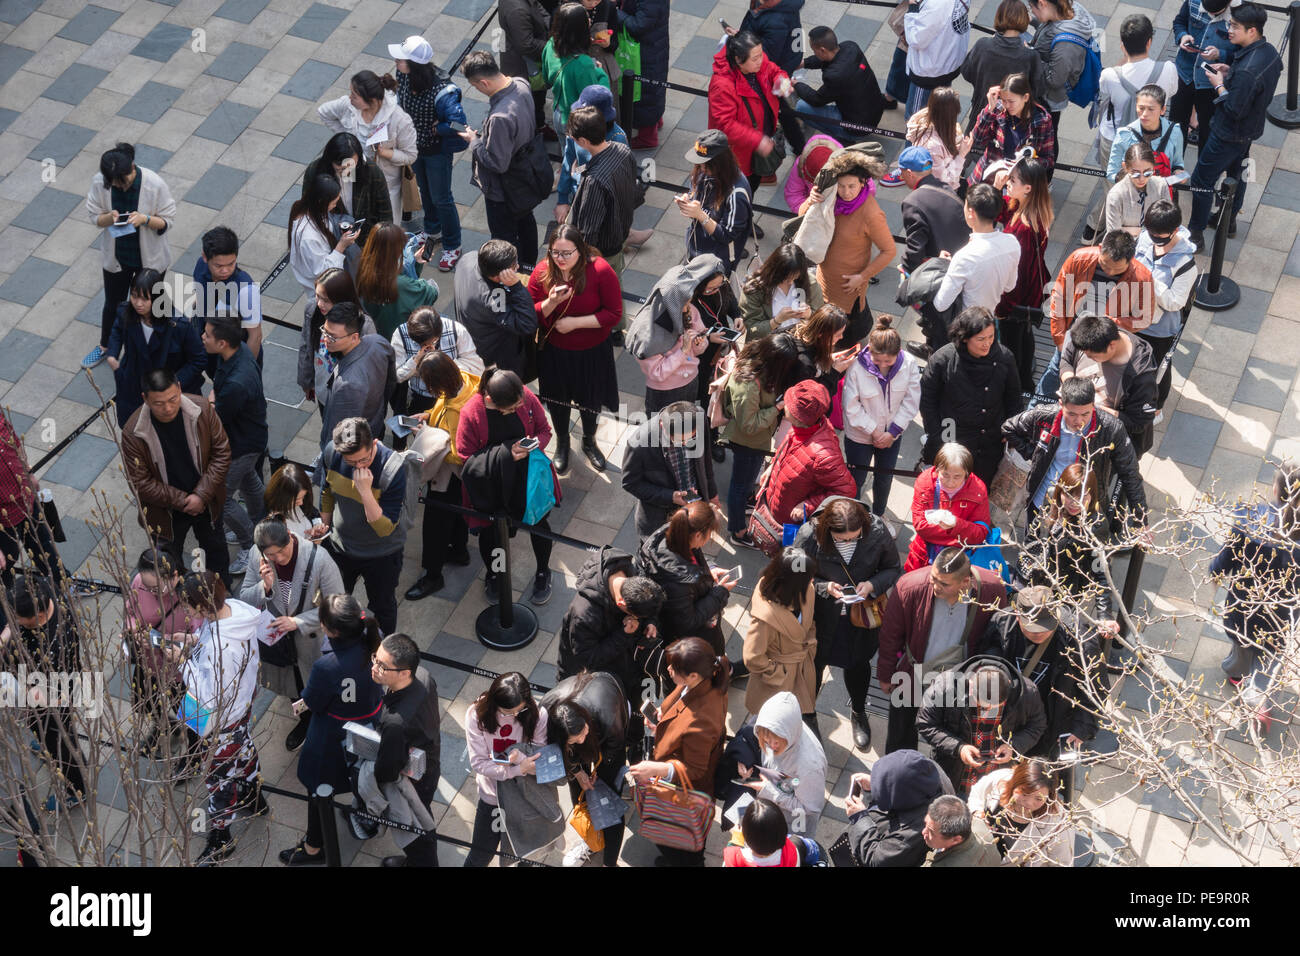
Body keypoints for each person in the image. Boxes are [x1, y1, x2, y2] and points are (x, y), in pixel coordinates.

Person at [278, 593, 384, 865]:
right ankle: (365, 815)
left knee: (318, 788)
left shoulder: (327, 666)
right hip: (371, 724)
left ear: (332, 630)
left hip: (333, 733)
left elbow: (313, 701)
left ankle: (314, 847)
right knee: (365, 776)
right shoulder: (376, 639)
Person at [171, 571, 268, 864]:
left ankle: (221, 837)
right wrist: (193, 640)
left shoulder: (219, 646)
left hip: (223, 718)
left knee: (218, 779)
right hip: (242, 704)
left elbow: (211, 695)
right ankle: (254, 795)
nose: (185, 612)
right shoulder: (237, 611)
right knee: (244, 746)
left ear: (202, 607)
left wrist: (183, 663)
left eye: (187, 607)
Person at [794, 496, 900, 749]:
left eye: (855, 537)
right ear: (827, 530)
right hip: (821, 617)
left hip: (860, 619)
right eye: (842, 539)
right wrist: (822, 587)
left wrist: (873, 584)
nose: (849, 541)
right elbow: (794, 571)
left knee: (858, 666)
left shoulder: (876, 531)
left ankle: (859, 711)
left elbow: (893, 568)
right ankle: (808, 716)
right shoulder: (809, 535)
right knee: (813, 668)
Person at [878, 547, 1009, 753]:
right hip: (914, 675)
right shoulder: (910, 586)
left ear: (965, 582)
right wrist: (885, 674)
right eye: (933, 578)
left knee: (951, 739)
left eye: (944, 583)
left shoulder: (992, 590)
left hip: (961, 683)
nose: (934, 586)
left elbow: (997, 635)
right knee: (900, 733)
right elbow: (890, 634)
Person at [237, 514, 346, 753]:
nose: (278, 559)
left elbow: (337, 605)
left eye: (281, 552)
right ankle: (306, 722)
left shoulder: (319, 560)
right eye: (271, 555)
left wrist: (297, 621)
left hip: (312, 642)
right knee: (293, 687)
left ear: (290, 539)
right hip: (278, 644)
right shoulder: (259, 557)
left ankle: (327, 725)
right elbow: (244, 595)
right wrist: (263, 586)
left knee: (319, 686)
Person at [456, 368, 559, 606]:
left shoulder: (523, 396)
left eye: (519, 405)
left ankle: (543, 571)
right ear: (490, 399)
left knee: (539, 524)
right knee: (492, 534)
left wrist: (533, 445)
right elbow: (466, 457)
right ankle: (496, 573)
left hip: (527, 480)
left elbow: (544, 431)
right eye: (512, 409)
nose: (517, 410)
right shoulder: (471, 413)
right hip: (491, 486)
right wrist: (506, 455)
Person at [1210, 460, 1300, 729]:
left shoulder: (1248, 518)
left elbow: (1223, 561)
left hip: (1243, 606)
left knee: (1241, 647)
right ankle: (1259, 695)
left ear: (1275, 489)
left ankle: (1236, 673)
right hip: (1283, 614)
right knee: (1270, 658)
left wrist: (1215, 574)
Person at [1187, 2, 1282, 251]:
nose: (1229, 30)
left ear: (1252, 31)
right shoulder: (1269, 52)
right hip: (1249, 131)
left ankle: (1195, 235)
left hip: (1227, 133)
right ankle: (1227, 221)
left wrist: (1220, 83)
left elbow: (1233, 109)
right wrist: (1230, 71)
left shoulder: (1248, 72)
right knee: (1236, 173)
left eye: (1235, 26)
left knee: (1201, 180)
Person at [627, 638, 730, 866]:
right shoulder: (705, 681)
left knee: (682, 846)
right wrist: (663, 723)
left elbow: (694, 769)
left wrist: (657, 768)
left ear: (693, 675)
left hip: (688, 789)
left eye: (674, 668)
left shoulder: (701, 720)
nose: (669, 670)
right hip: (688, 773)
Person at [120, 369, 231, 582]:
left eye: (173, 399)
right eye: (159, 403)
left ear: (180, 388)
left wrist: (201, 495)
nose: (168, 408)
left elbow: (222, 452)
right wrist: (183, 501)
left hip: (207, 501)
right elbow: (140, 482)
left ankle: (222, 594)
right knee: (169, 563)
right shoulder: (133, 433)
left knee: (216, 551)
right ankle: (180, 603)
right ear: (145, 399)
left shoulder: (202, 410)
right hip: (164, 511)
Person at [527, 223, 621, 474]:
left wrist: (574, 323)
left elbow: (614, 313)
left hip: (593, 353)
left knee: (590, 402)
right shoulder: (542, 272)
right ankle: (563, 442)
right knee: (558, 402)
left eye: (567, 253)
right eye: (555, 253)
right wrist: (551, 302)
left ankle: (589, 441)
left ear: (580, 251)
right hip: (555, 354)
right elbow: (531, 314)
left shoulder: (600, 270)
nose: (560, 259)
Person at [976, 585, 1110, 754]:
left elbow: (1098, 688)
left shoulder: (1080, 639)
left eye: (1045, 627)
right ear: (1018, 616)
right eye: (1031, 629)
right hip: (1009, 717)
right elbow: (984, 658)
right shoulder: (1001, 623)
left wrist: (1082, 728)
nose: (1038, 634)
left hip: (1053, 723)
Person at [1002, 377, 1149, 529]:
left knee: (1075, 549)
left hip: (1083, 505)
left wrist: (1141, 520)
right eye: (1071, 414)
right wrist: (1034, 454)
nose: (1079, 421)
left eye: (1085, 414)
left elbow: (1130, 473)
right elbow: (1009, 427)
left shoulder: (1111, 429)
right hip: (1043, 500)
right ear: (1061, 405)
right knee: (1035, 542)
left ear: (1094, 405)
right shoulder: (1044, 415)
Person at [1084, 15, 1179, 241]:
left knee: (1114, 186)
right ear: (1149, 42)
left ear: (1122, 45)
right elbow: (1171, 93)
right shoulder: (1167, 70)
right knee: (1145, 184)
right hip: (1152, 142)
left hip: (1115, 140)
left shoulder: (1109, 75)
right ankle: (1119, 229)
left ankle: (1096, 228)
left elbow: (1104, 97)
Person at [82, 143, 176, 370]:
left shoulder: (154, 184)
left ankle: (164, 344)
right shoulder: (100, 183)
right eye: (114, 183)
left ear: (132, 168)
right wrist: (109, 218)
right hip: (118, 256)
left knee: (155, 302)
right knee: (113, 303)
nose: (119, 187)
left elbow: (167, 220)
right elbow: (94, 216)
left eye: (122, 182)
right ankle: (106, 346)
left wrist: (144, 219)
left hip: (150, 259)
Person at [314, 417, 411, 636]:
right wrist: (324, 525)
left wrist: (365, 492)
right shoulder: (332, 453)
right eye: (352, 462)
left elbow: (384, 529)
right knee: (334, 601)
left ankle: (380, 649)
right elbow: (326, 491)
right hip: (340, 546)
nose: (359, 466)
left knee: (383, 606)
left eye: (364, 459)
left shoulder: (392, 469)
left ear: (374, 443)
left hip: (382, 553)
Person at [0, 574, 87, 812]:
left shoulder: (55, 642)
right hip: (35, 687)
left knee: (62, 745)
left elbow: (61, 691)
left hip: (52, 699)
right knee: (52, 737)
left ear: (37, 617)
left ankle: (77, 790)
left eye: (18, 619)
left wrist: (27, 694)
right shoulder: (47, 596)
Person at [1042, 230, 1154, 399]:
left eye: (1116, 269)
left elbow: (1143, 319)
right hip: (1074, 333)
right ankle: (1036, 408)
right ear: (1100, 248)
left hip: (1104, 341)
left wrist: (1111, 322)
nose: (1109, 271)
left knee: (1097, 383)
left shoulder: (1142, 277)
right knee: (1054, 372)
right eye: (1105, 265)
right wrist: (1060, 339)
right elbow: (1058, 299)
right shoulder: (1079, 258)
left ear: (1131, 260)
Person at [402, 352, 478, 600]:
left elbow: (459, 454)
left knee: (435, 525)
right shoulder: (464, 384)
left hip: (449, 475)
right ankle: (459, 551)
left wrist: (427, 435)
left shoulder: (459, 411)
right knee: (456, 515)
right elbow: (441, 410)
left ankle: (433, 575)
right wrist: (428, 416)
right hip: (460, 479)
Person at [389, 34, 468, 271]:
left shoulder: (444, 92)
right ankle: (432, 229)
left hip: (435, 151)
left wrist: (440, 127)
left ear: (414, 64)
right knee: (425, 190)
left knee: (442, 198)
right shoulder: (403, 75)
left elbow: (460, 125)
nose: (396, 62)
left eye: (401, 59)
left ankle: (453, 244)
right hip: (414, 147)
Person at [798, 149, 896, 337]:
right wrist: (811, 201)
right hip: (823, 279)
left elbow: (889, 250)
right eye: (841, 186)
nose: (846, 192)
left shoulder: (871, 214)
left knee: (847, 332)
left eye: (851, 186)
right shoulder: (830, 197)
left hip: (848, 289)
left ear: (863, 182)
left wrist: (863, 276)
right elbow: (802, 219)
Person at [919, 306, 1022, 485]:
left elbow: (1014, 398)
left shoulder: (1005, 358)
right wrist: (937, 434)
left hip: (989, 443)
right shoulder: (943, 360)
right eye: (981, 339)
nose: (987, 343)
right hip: (950, 438)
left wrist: (1012, 428)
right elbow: (928, 402)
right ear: (965, 337)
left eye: (991, 337)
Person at [918, 655, 1047, 793]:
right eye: (982, 705)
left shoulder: (1026, 692)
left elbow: (1037, 725)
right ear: (971, 684)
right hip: (953, 775)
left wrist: (1013, 746)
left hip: (996, 782)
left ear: (1009, 684)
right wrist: (959, 748)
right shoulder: (945, 685)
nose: (989, 710)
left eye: (997, 706)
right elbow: (925, 723)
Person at [541, 671, 629, 867]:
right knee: (579, 792)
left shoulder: (608, 715)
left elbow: (615, 746)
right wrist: (577, 771)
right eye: (575, 739)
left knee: (608, 801)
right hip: (574, 738)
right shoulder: (547, 712)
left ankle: (610, 862)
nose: (581, 740)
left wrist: (600, 769)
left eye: (583, 734)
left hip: (609, 734)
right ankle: (589, 839)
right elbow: (554, 748)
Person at [461, 52, 541, 268]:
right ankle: (528, 266)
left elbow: (497, 163)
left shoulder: (499, 119)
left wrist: (474, 141)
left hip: (503, 189)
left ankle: (509, 275)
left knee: (504, 237)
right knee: (526, 222)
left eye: (476, 86)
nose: (478, 90)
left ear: (484, 82)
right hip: (525, 174)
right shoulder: (521, 84)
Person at [201, 318, 267, 577]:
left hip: (240, 444)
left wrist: (210, 404)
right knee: (250, 481)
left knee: (221, 498)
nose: (203, 338)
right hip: (251, 438)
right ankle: (260, 521)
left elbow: (216, 418)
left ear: (222, 343)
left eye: (207, 335)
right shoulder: (237, 354)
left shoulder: (236, 383)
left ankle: (250, 543)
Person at [369, 632, 442, 867]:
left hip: (415, 780)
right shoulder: (424, 676)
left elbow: (386, 770)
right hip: (431, 761)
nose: (374, 667)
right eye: (375, 659)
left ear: (404, 673)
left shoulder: (395, 723)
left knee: (417, 828)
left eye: (382, 665)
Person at [555, 546, 666, 700]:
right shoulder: (584, 614)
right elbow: (588, 659)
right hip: (593, 680)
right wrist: (623, 634)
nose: (637, 620)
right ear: (621, 603)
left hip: (622, 663)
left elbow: (649, 606)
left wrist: (651, 621)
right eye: (635, 616)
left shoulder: (631, 574)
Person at [722, 334, 801, 546]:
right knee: (739, 485)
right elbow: (749, 426)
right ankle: (738, 530)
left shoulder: (761, 366)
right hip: (748, 441)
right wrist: (777, 407)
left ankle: (747, 501)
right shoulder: (748, 385)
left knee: (746, 481)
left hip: (758, 440)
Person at [464, 672, 549, 866]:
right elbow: (479, 763)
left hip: (527, 796)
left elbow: (540, 758)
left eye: (519, 711)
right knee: (480, 854)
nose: (513, 716)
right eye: (507, 712)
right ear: (494, 703)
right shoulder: (477, 715)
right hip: (493, 797)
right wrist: (518, 768)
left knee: (527, 855)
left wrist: (520, 760)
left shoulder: (536, 714)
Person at [123, 545, 199, 759]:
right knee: (145, 702)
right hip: (148, 663)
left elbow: (201, 637)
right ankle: (165, 726)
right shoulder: (140, 582)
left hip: (180, 672)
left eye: (158, 588)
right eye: (149, 588)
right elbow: (131, 610)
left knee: (191, 717)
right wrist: (133, 629)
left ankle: (194, 756)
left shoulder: (191, 595)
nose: (152, 592)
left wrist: (167, 644)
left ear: (174, 576)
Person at [104, 268, 206, 427]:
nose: (138, 303)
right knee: (134, 430)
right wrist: (112, 354)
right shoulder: (125, 312)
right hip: (133, 387)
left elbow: (199, 359)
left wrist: (172, 385)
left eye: (145, 299)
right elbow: (117, 329)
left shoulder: (178, 325)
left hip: (168, 397)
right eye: (134, 296)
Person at [1020, 462, 1118, 626]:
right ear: (1060, 491)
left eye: (1082, 496)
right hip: (1036, 581)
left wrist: (1104, 615)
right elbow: (1031, 538)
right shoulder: (1051, 503)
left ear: (1092, 495)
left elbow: (1102, 573)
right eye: (1069, 494)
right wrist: (1030, 563)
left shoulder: (1095, 526)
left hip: (1065, 592)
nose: (1074, 502)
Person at [841, 317, 921, 516]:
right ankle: (855, 517)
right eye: (878, 360)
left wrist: (892, 432)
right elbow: (851, 406)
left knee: (884, 479)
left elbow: (911, 401)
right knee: (856, 479)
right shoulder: (856, 367)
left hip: (891, 437)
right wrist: (876, 432)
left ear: (899, 353)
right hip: (859, 436)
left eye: (888, 361)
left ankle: (878, 515)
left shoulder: (909, 364)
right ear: (870, 349)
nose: (883, 365)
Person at [633, 501, 737, 655]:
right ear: (697, 535)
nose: (710, 538)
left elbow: (692, 559)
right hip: (694, 639)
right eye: (710, 533)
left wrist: (710, 569)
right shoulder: (677, 581)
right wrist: (719, 593)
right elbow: (687, 622)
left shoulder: (673, 536)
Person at [318, 69, 418, 222]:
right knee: (349, 213)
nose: (350, 98)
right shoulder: (348, 106)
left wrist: (384, 153)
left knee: (386, 226)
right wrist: (346, 138)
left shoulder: (399, 120)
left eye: (355, 96)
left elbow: (410, 155)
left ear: (370, 100)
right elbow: (324, 112)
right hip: (349, 170)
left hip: (385, 180)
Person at [759, 379, 857, 531]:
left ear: (796, 416)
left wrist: (808, 505)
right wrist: (773, 466)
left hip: (790, 525)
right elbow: (787, 450)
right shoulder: (804, 428)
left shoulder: (824, 455)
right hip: (776, 510)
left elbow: (846, 490)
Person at [1060, 312, 1158, 456]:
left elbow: (1138, 423)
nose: (1089, 358)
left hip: (1107, 444)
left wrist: (1092, 409)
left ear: (1112, 345)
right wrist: (1071, 386)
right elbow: (1066, 360)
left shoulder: (1141, 376)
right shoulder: (1089, 334)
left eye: (1093, 356)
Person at [994, 156, 1053, 385]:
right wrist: (998, 191)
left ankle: (1020, 386)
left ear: (1027, 188)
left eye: (1013, 179)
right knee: (1024, 337)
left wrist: (1004, 307)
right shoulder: (1033, 208)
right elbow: (1002, 214)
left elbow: (1017, 273)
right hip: (1030, 294)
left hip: (1017, 298)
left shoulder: (1025, 227)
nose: (1008, 180)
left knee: (1011, 346)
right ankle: (1026, 376)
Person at [708, 31, 792, 193]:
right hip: (738, 154)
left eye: (761, 54)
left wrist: (781, 82)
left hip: (758, 144)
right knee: (737, 192)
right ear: (738, 60)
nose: (761, 60)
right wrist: (758, 140)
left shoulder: (756, 62)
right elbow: (725, 125)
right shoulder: (722, 85)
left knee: (751, 186)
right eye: (755, 58)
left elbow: (774, 70)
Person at [1133, 200, 1197, 412]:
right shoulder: (1144, 239)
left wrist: (1148, 279)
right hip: (1132, 317)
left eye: (1159, 237)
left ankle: (1156, 406)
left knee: (1158, 369)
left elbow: (1175, 302)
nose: (1153, 240)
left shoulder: (1185, 264)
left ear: (1175, 231)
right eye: (1150, 233)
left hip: (1159, 328)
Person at [736, 691, 827, 836]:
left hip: (792, 828)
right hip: (770, 812)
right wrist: (744, 760)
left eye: (776, 742)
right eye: (765, 739)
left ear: (788, 733)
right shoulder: (782, 727)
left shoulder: (809, 766)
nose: (771, 746)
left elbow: (809, 808)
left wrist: (768, 790)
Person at [622, 401, 718, 539]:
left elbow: (705, 457)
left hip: (694, 502)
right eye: (680, 440)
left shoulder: (698, 417)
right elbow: (629, 483)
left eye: (691, 437)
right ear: (663, 425)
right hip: (661, 519)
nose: (686, 444)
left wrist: (711, 491)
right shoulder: (639, 443)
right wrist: (670, 496)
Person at [743, 547, 818, 721]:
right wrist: (776, 673)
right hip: (780, 678)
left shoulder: (807, 589)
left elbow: (809, 620)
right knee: (772, 724)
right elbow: (752, 656)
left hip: (801, 665)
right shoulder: (766, 616)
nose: (812, 580)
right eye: (808, 577)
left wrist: (811, 638)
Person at [843, 748, 952, 866]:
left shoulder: (909, 836)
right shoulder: (929, 770)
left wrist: (860, 818)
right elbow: (902, 778)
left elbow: (875, 860)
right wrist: (877, 782)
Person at [563, 106, 637, 277]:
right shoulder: (623, 150)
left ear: (583, 141)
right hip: (620, 234)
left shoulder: (594, 182)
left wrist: (579, 261)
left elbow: (588, 231)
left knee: (607, 294)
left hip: (602, 252)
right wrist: (580, 170)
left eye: (573, 139)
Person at [0, 412, 68, 596]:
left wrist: (27, 472)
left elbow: (14, 441)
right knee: (6, 565)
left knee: (44, 547)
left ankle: (62, 587)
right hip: (3, 517)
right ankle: (13, 608)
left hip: (26, 498)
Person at [933, 183, 1021, 323]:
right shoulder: (1012, 243)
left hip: (966, 327)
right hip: (990, 320)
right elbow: (1009, 286)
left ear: (971, 212)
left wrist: (944, 267)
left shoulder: (964, 257)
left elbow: (940, 304)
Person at [317, 302, 397, 449]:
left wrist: (327, 455)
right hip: (376, 420)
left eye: (333, 337)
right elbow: (391, 383)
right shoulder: (378, 342)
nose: (326, 339)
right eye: (324, 331)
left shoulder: (348, 385)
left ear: (354, 337)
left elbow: (339, 435)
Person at [455, 240, 539, 378]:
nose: (518, 266)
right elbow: (527, 323)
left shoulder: (468, 259)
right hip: (495, 358)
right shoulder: (493, 299)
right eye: (514, 266)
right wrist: (516, 287)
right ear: (497, 276)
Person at [968, 757, 1075, 865]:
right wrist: (976, 811)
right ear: (1014, 783)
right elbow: (977, 792)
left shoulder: (1058, 826)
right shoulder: (1001, 780)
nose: (1028, 802)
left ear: (1049, 797)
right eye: (1024, 793)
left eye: (1038, 798)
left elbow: (1062, 863)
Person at [297, 267, 379, 406]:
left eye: (326, 300)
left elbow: (372, 368)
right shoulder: (312, 309)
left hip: (349, 400)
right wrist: (306, 381)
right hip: (323, 391)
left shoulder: (364, 326)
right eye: (317, 296)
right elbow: (306, 345)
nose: (319, 304)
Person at [905, 442, 991, 572]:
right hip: (924, 556)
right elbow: (920, 526)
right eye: (945, 475)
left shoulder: (978, 490)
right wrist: (958, 533)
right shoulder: (925, 482)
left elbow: (980, 534)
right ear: (937, 469)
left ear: (967, 473)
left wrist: (956, 524)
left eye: (957, 477)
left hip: (957, 561)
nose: (950, 483)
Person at [959, 0, 1043, 134]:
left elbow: (966, 71)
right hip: (1014, 121)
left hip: (981, 112)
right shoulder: (1030, 56)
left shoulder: (983, 45)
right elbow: (1038, 89)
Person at [391, 305, 483, 425]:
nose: (427, 346)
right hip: (420, 395)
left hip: (453, 395)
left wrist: (441, 364)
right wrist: (415, 361)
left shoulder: (456, 330)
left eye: (432, 341)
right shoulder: (400, 335)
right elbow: (396, 376)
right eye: (421, 343)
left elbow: (476, 366)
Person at [190, 225, 264, 374]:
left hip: (233, 353)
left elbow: (255, 336)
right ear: (205, 257)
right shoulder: (200, 266)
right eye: (218, 265)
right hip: (209, 340)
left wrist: (243, 371)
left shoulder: (245, 289)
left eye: (231, 264)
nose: (225, 270)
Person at [679, 130, 753, 276]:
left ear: (720, 163)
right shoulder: (703, 171)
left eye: (706, 165)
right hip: (696, 248)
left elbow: (727, 235)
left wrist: (700, 215)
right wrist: (689, 201)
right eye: (699, 164)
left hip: (717, 262)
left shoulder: (737, 193)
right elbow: (694, 193)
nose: (701, 169)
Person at [289, 172, 360, 324]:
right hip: (325, 292)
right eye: (333, 202)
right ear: (321, 201)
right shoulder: (309, 237)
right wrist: (341, 245)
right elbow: (323, 274)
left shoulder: (309, 212)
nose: (335, 204)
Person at [792, 26, 885, 141]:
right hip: (875, 110)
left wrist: (796, 84)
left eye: (814, 51)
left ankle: (843, 137)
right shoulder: (851, 47)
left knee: (801, 107)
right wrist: (804, 63)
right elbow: (828, 59)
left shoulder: (834, 76)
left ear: (822, 50)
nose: (815, 54)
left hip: (857, 128)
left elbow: (816, 99)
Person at [302, 131, 393, 247]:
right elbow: (307, 208)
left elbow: (385, 211)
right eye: (341, 168)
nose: (347, 171)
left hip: (365, 240)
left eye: (351, 165)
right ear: (331, 160)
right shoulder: (315, 171)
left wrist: (383, 242)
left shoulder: (371, 171)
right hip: (330, 241)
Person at [965, 72, 1056, 186]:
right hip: (988, 179)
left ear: (1025, 97)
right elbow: (977, 139)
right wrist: (990, 110)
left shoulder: (1042, 121)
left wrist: (1019, 168)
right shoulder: (998, 109)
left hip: (1018, 185)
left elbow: (1048, 160)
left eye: (1011, 101)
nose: (1007, 105)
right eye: (1003, 100)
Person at [356, 222, 440, 340]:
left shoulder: (364, 270)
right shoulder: (400, 284)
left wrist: (415, 263)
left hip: (381, 333)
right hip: (403, 339)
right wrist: (426, 283)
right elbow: (431, 292)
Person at [897, 146, 969, 276]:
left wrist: (906, 270)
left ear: (909, 173)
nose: (902, 177)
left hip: (937, 272)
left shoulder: (912, 202)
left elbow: (915, 247)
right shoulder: (948, 190)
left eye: (901, 173)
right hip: (961, 265)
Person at [1028, 0, 1098, 133]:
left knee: (1048, 134)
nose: (1031, 11)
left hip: (1049, 99)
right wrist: (1034, 21)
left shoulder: (1065, 46)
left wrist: (1030, 54)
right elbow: (1051, 31)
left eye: (1032, 7)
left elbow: (1055, 80)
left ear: (1042, 4)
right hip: (1046, 92)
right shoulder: (1064, 11)